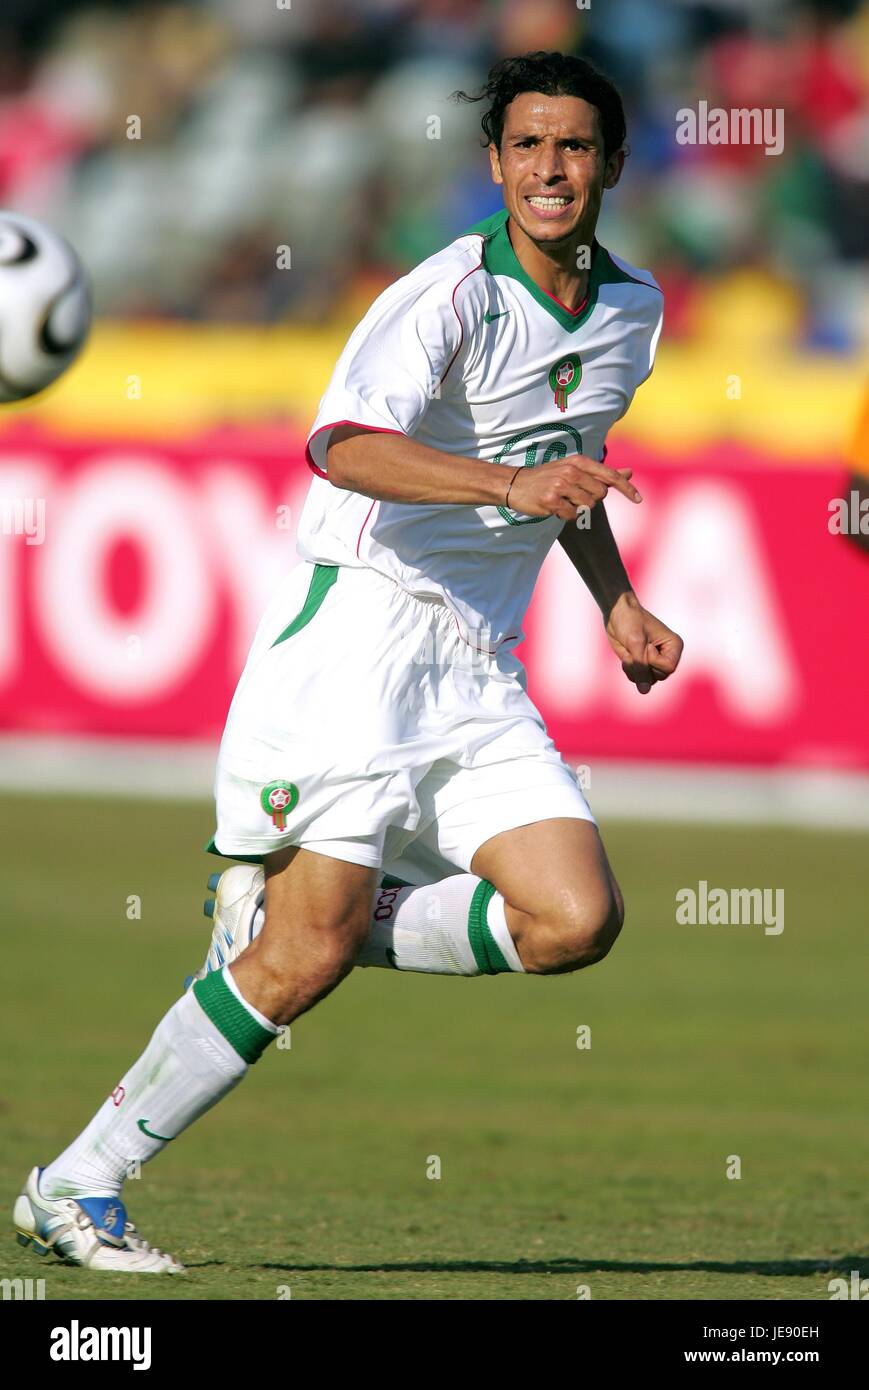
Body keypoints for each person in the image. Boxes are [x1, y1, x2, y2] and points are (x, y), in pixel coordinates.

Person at [16, 51, 683, 1273]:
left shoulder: (632, 308)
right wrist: (505, 484)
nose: (549, 169)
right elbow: (339, 442)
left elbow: (563, 457)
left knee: (574, 918)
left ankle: (312, 911)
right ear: (494, 163)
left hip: (477, 662)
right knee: (300, 960)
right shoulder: (443, 295)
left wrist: (614, 596)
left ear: (612, 165)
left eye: (573, 147)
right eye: (526, 146)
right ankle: (78, 1185)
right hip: (360, 638)